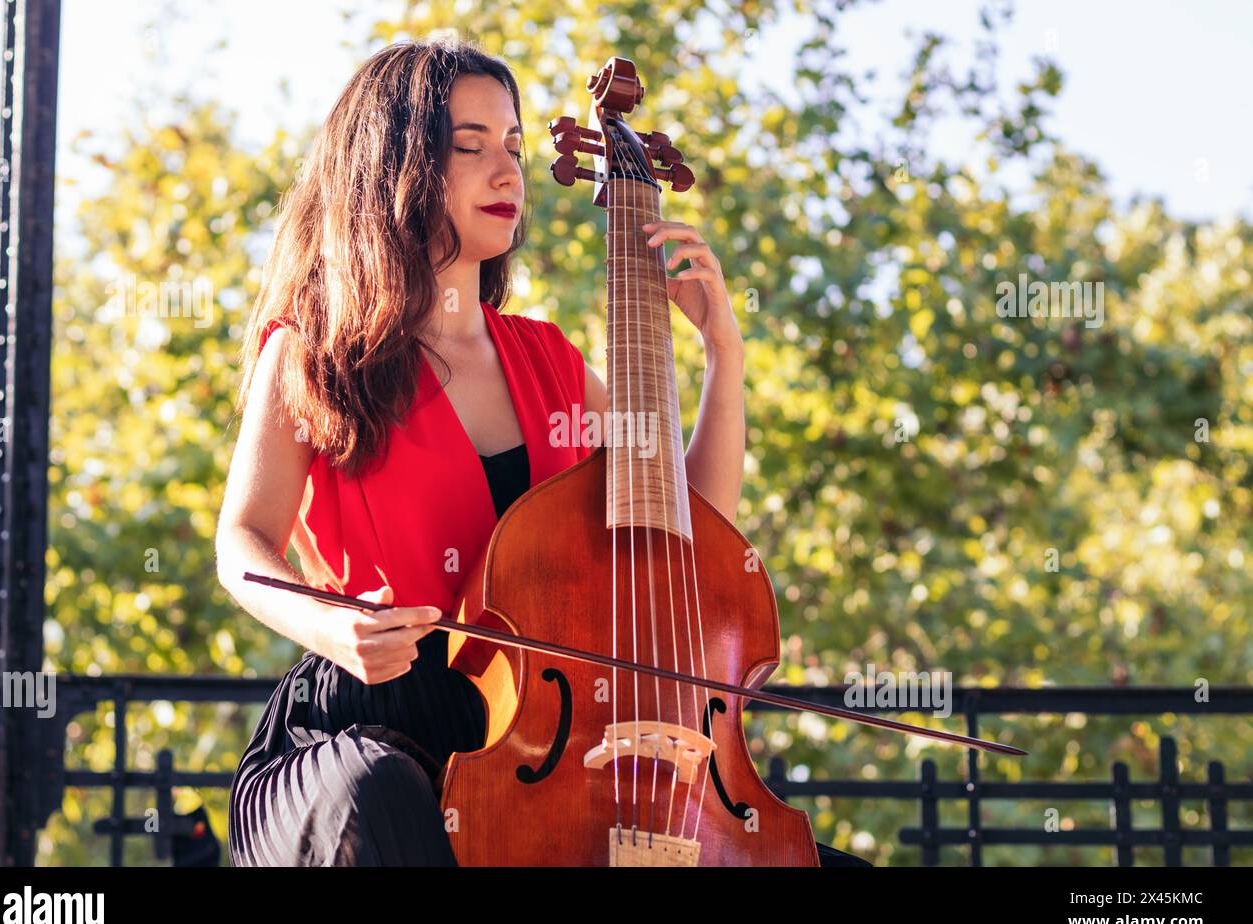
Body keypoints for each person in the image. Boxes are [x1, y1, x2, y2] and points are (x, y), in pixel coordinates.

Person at [216, 36, 869, 867]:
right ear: (393, 169)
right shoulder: (315, 353)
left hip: (536, 736)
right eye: (472, 147)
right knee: (376, 803)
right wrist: (330, 625)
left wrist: (723, 355)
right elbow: (241, 544)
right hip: (367, 713)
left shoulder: (550, 361)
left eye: (517, 148)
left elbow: (689, 539)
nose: (508, 173)